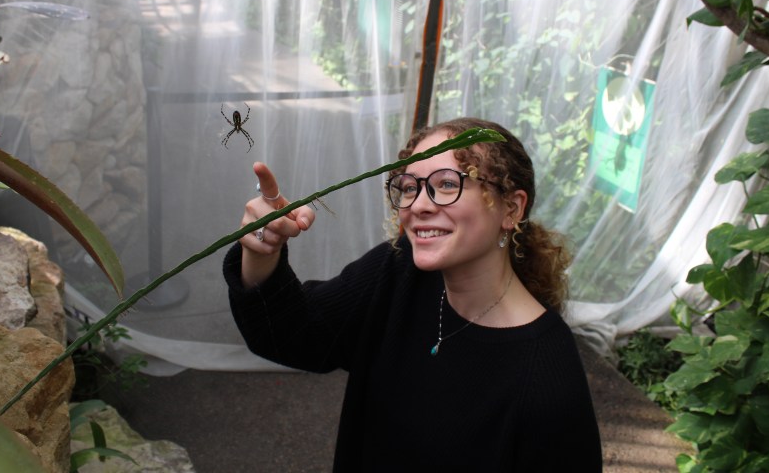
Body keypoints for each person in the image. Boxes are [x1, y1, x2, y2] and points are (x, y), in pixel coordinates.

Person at [222, 117, 603, 471]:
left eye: (448, 184)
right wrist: (262, 250)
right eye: (409, 187)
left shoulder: (547, 376)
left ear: (511, 208)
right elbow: (288, 334)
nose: (418, 205)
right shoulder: (399, 273)